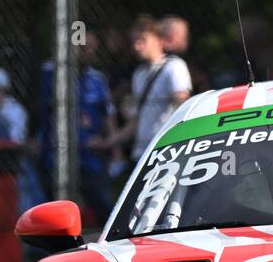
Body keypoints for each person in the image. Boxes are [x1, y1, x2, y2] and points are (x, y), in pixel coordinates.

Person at [91, 14, 192, 165]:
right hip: (142, 153)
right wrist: (108, 142)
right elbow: (136, 122)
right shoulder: (139, 74)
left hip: (166, 150)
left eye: (142, 40)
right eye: (134, 41)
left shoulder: (174, 67)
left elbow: (182, 104)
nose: (136, 46)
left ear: (158, 40)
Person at [36, 32, 116, 218]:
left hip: (89, 153)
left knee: (102, 202)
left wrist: (111, 143)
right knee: (53, 205)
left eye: (91, 49)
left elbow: (107, 114)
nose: (88, 53)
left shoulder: (97, 80)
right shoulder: (51, 75)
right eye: (83, 48)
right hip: (56, 153)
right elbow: (43, 113)